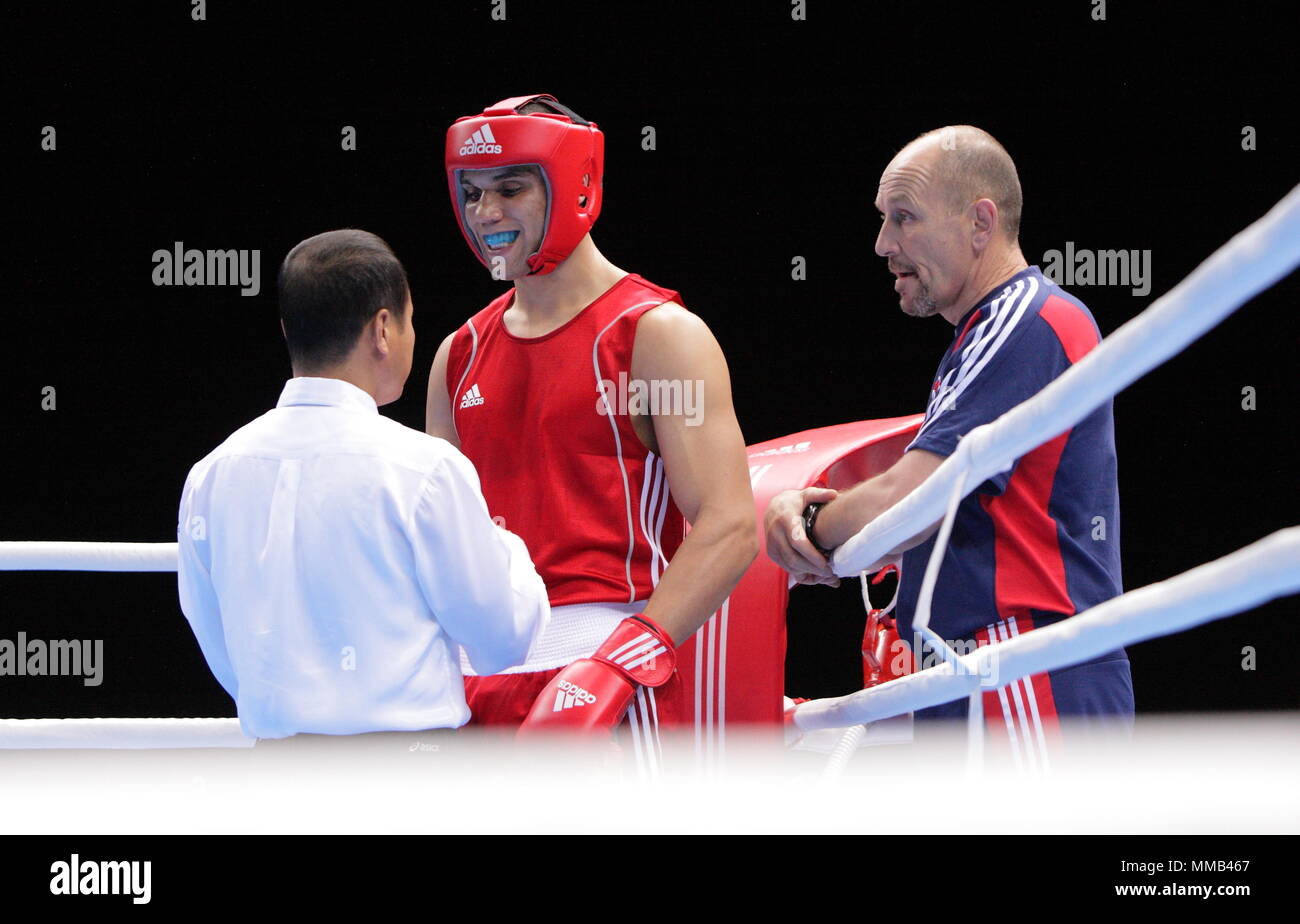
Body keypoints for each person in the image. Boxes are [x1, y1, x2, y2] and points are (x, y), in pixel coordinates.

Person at [764, 127, 1134, 753]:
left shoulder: (1027, 320)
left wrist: (805, 525)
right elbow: (949, 511)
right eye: (884, 220)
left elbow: (916, 494)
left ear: (980, 223)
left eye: (904, 219)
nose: (884, 244)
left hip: (1024, 667)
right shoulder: (985, 335)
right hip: (977, 670)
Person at [428, 95, 757, 741]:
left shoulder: (655, 337)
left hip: (605, 670)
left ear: (574, 183)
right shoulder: (458, 355)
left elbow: (729, 524)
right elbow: (442, 540)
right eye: (471, 192)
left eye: (511, 188)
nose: (486, 212)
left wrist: (624, 661)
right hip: (467, 687)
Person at [177, 229, 549, 741]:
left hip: (276, 772)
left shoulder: (211, 475)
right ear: (382, 328)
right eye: (410, 321)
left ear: (289, 331)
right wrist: (509, 548)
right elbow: (501, 640)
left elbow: (222, 649)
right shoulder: (423, 468)